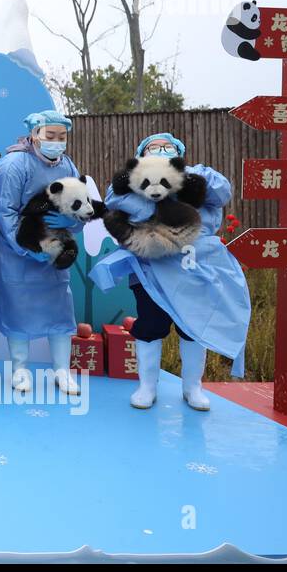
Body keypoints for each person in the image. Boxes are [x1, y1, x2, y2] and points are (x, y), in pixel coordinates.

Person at [90, 133, 251, 410]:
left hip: (194, 267)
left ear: (178, 152)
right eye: (153, 149)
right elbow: (119, 202)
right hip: (151, 269)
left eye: (167, 148)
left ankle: (192, 388)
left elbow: (221, 193)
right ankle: (147, 387)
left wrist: (185, 181)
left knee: (193, 328)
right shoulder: (131, 180)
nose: (161, 151)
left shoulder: (199, 173)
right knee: (151, 325)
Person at [0, 109, 82, 396]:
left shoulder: (67, 165)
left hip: (55, 256)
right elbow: (4, 212)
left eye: (61, 136)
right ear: (34, 134)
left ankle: (62, 372)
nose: (56, 141)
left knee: (60, 314)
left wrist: (72, 222)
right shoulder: (14, 165)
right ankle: (19, 370)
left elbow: (79, 201)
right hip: (17, 257)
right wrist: (28, 246)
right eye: (49, 135)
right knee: (19, 313)